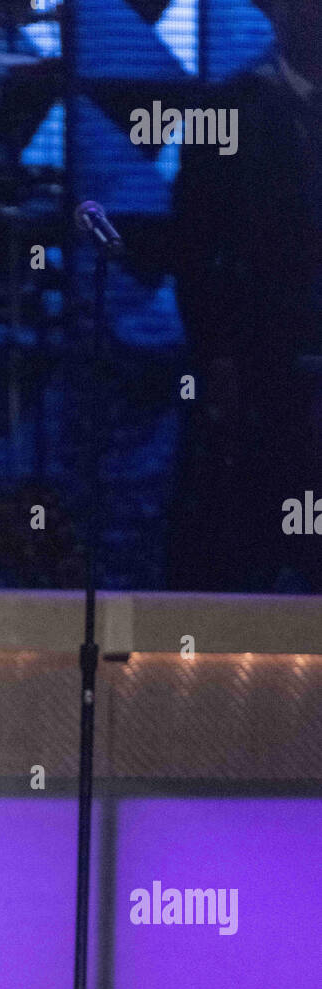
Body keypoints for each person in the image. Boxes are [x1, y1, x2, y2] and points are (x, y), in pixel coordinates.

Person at [169, 0, 322, 592]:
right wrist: (217, 359)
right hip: (261, 362)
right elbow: (194, 246)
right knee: (245, 537)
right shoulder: (232, 107)